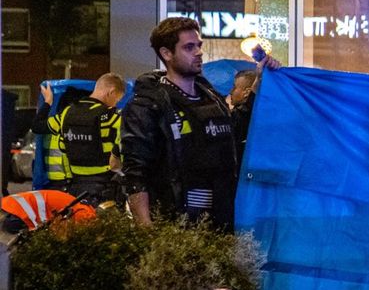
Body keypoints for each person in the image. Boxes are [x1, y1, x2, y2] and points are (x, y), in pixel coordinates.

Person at [121, 17, 278, 230]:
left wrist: (260, 82)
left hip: (222, 219)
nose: (198, 52)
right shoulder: (149, 105)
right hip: (177, 225)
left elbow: (235, 127)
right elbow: (136, 172)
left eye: (199, 45)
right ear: (167, 53)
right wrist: (146, 230)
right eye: (189, 47)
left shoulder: (210, 97)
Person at [32, 74, 125, 202]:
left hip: (75, 189)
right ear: (112, 92)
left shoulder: (66, 113)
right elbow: (126, 143)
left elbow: (37, 126)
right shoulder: (112, 116)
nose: (116, 103)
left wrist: (48, 102)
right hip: (105, 187)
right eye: (117, 99)